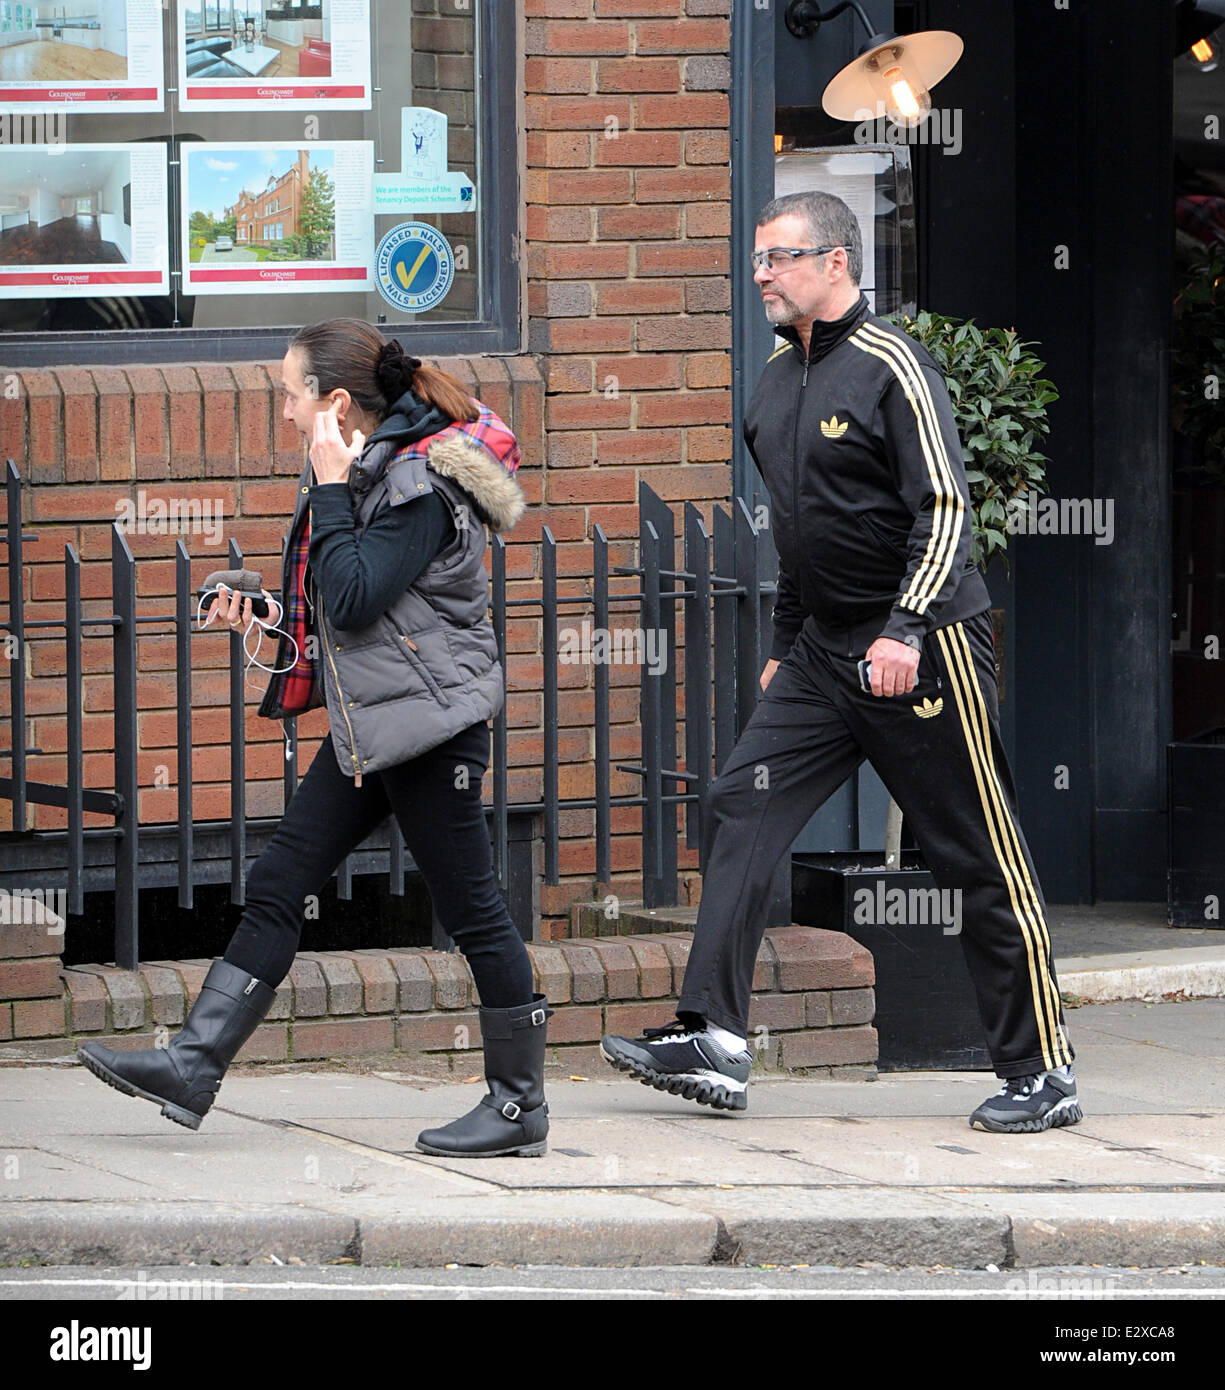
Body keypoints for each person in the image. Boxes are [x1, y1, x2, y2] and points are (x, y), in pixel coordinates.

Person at [601, 191, 1080, 1135]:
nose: (762, 277)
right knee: (740, 798)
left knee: (976, 854)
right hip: (822, 652)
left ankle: (1041, 1071)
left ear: (835, 262)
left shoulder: (892, 365)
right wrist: (787, 648)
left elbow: (944, 509)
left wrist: (905, 628)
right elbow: (800, 531)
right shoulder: (776, 381)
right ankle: (716, 1040)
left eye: (778, 259)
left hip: (923, 646)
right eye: (757, 261)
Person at [78, 318, 554, 1159]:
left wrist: (331, 488)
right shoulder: (371, 471)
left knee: (473, 912)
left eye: (292, 395)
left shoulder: (412, 482)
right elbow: (347, 612)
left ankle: (518, 1108)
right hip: (377, 724)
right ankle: (194, 1066)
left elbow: (359, 594)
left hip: (433, 731)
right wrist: (261, 612)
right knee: (279, 879)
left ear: (335, 403)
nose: (285, 411)